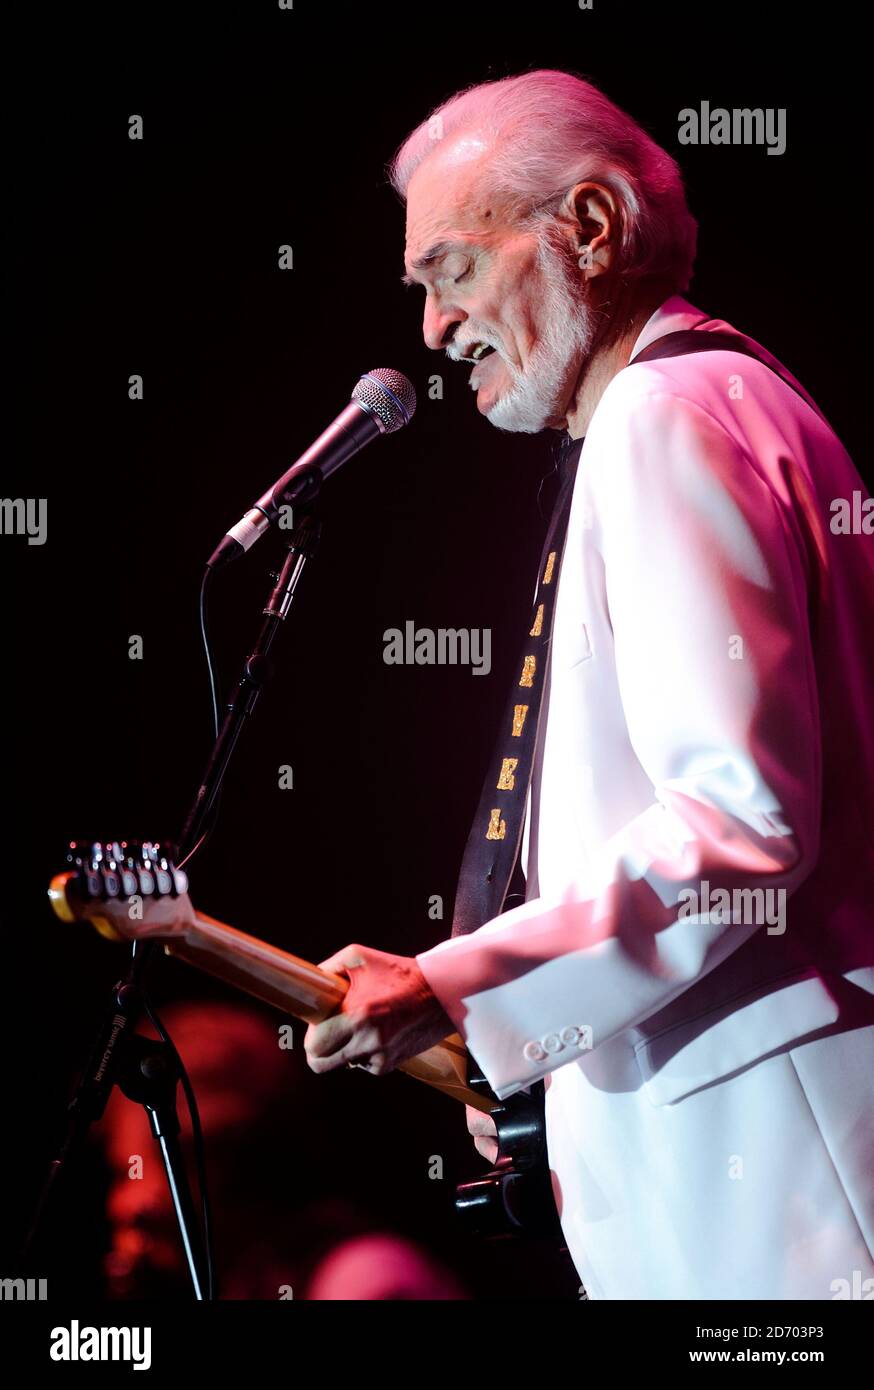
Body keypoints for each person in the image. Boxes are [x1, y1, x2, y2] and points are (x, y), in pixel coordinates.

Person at [304, 69, 874, 1300]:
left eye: (451, 271)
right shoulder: (733, 399)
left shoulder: (661, 414)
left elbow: (741, 823)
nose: (433, 332)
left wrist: (458, 981)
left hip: (774, 1182)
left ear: (591, 228)